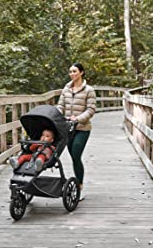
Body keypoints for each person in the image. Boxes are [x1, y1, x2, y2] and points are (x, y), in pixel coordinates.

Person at [57, 62, 96, 201]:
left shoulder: (89, 90)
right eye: (70, 72)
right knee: (74, 157)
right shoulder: (66, 89)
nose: (72, 74)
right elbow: (61, 105)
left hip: (82, 128)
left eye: (74, 71)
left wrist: (78, 119)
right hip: (68, 128)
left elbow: (91, 109)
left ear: (81, 72)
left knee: (76, 153)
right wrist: (57, 116)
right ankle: (77, 184)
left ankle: (79, 186)